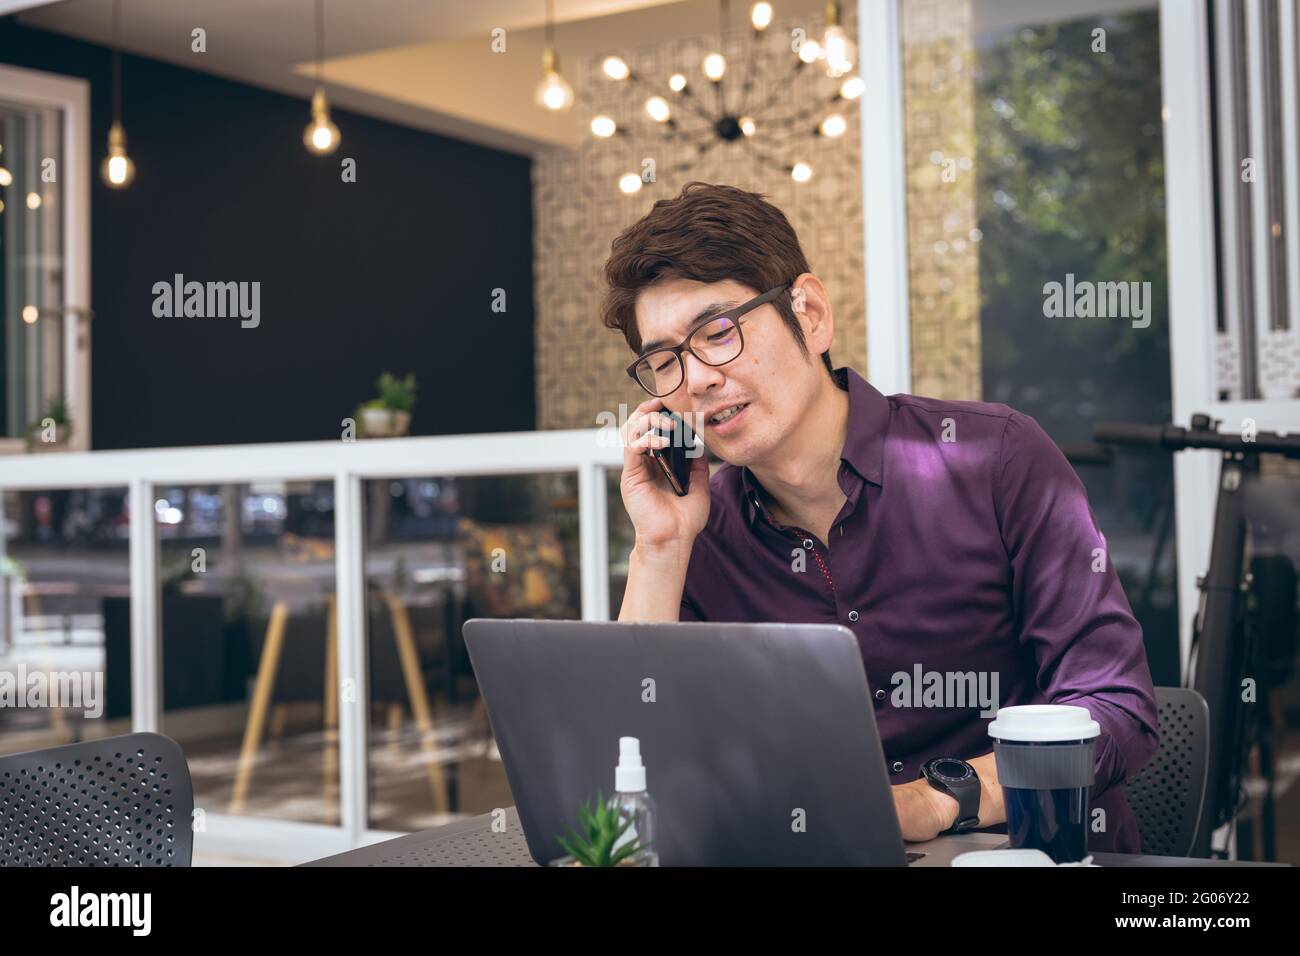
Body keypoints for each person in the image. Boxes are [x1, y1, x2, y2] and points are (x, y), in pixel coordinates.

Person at [605, 181, 1158, 852]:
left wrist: (930, 803)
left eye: (717, 332)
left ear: (808, 315)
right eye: (664, 360)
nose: (695, 381)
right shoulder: (699, 530)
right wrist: (659, 548)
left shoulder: (996, 459)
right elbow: (623, 780)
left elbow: (1116, 709)